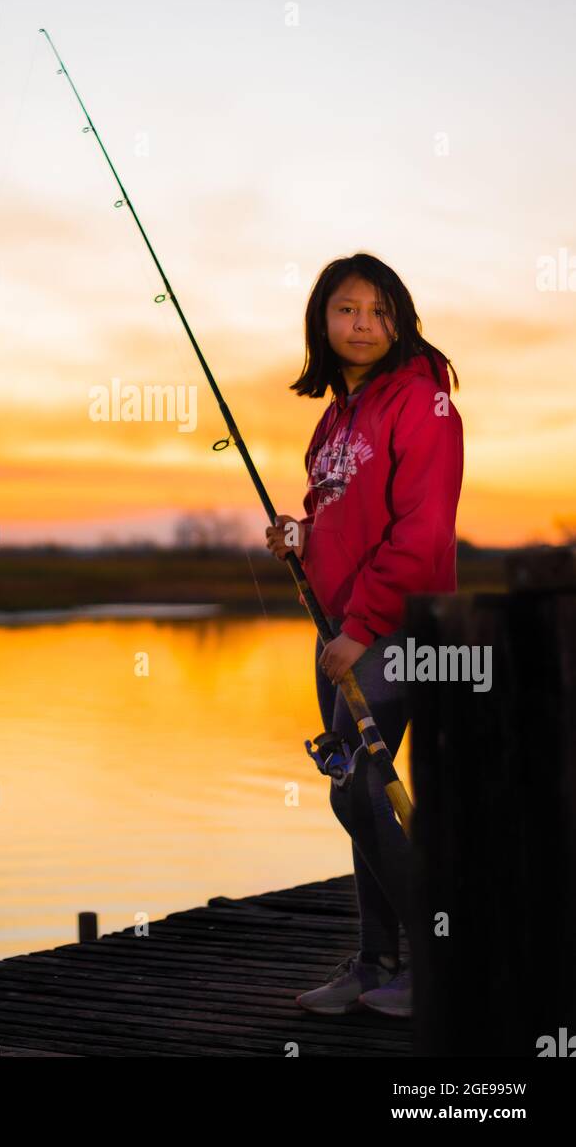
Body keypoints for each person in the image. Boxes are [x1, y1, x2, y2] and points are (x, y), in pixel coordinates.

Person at [265, 252, 463, 1018]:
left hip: (393, 629)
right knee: (355, 792)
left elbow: (419, 531)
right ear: (321, 317)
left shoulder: (423, 404)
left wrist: (362, 626)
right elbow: (348, 518)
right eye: (347, 310)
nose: (362, 325)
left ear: (400, 320)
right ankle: (376, 962)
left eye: (379, 312)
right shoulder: (334, 415)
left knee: (361, 788)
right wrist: (300, 537)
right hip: (339, 630)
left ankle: (440, 962)